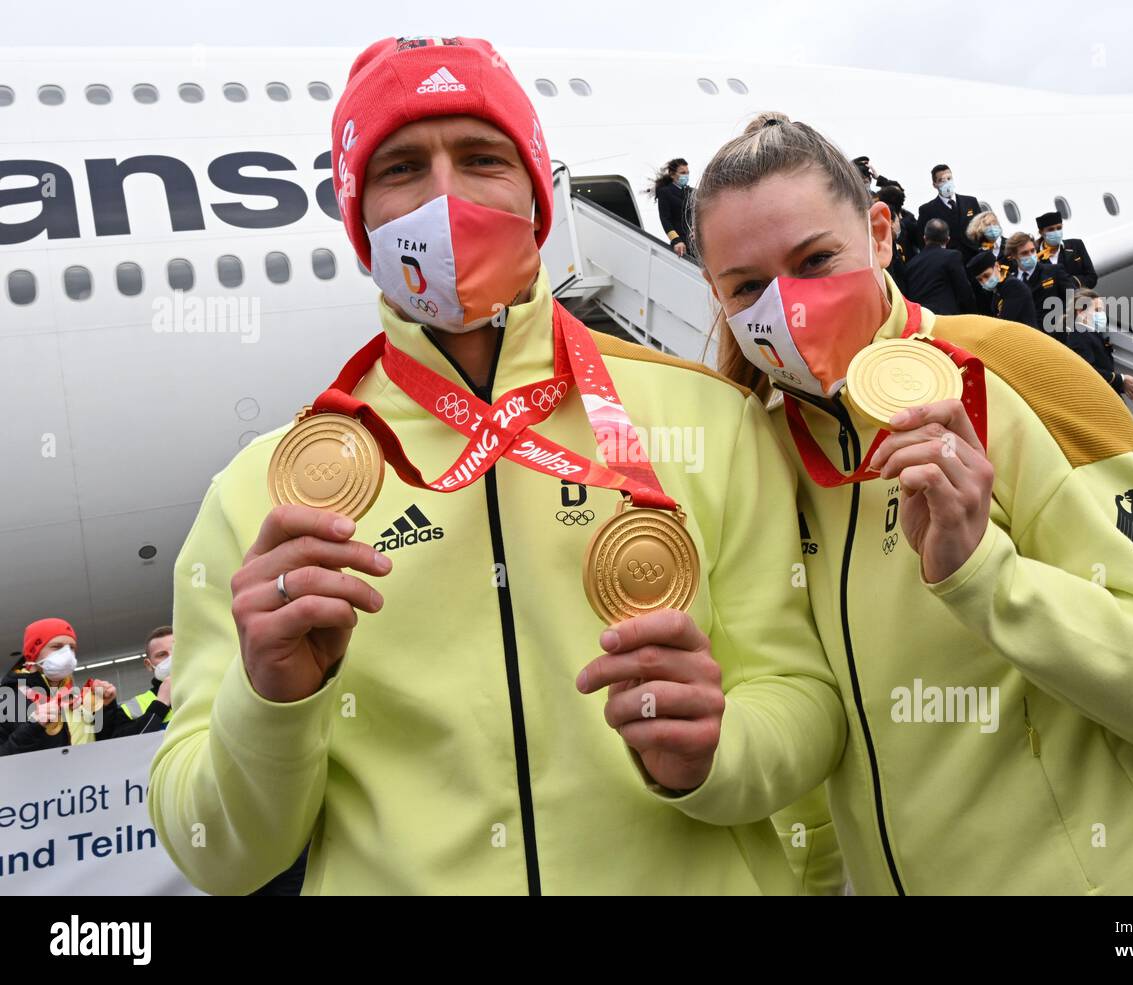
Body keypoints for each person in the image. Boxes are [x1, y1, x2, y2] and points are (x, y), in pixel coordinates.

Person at [147, 38, 843, 896]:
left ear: (538, 196)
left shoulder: (712, 422)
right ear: (361, 223)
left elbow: (807, 705)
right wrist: (270, 700)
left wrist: (716, 752)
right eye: (402, 167)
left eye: (482, 158)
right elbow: (217, 854)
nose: (446, 195)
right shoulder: (264, 495)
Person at [691, 110, 1133, 895]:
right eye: (750, 287)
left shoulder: (1015, 375)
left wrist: (989, 578)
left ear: (878, 234)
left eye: (815, 259)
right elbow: (815, 753)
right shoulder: (760, 452)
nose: (789, 307)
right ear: (716, 294)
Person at [0, 618, 127, 755]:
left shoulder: (75, 700)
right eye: (56, 647)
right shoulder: (7, 700)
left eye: (71, 648)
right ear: (33, 652)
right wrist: (33, 726)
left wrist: (106, 709)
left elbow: (108, 744)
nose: (67, 654)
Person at [1062, 289, 1133, 403]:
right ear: (1081, 311)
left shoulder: (1090, 334)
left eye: (1102, 311)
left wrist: (1122, 385)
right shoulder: (1079, 334)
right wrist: (1121, 380)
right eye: (1097, 310)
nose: (1101, 315)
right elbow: (1088, 371)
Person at [901, 219, 976, 315]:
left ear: (924, 238)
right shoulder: (952, 257)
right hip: (947, 318)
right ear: (948, 239)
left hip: (923, 321)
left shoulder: (910, 265)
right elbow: (964, 292)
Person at [115, 625, 174, 735]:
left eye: (177, 650)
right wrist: (160, 705)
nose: (172, 658)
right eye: (162, 654)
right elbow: (125, 747)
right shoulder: (130, 709)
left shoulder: (210, 690)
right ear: (149, 665)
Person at [1005, 231, 1069, 333]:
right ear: (1013, 256)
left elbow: (1073, 297)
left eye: (1032, 251)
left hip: (1057, 333)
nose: (1030, 255)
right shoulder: (1010, 282)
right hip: (1032, 338)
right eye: (1024, 253)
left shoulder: (1054, 271)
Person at [916, 164, 981, 261]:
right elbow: (921, 241)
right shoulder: (927, 210)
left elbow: (981, 228)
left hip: (974, 257)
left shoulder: (971, 202)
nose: (947, 182)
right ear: (934, 184)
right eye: (942, 180)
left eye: (949, 178)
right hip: (947, 261)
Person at [966, 251, 1036, 328]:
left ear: (997, 266)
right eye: (980, 280)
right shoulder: (998, 289)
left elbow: (1005, 323)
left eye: (986, 275)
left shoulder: (1012, 286)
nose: (984, 281)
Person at [1035, 211, 1097, 289]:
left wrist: (1072, 282)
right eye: (1051, 229)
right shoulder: (1035, 255)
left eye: (1059, 228)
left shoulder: (1076, 245)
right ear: (1041, 232)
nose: (1056, 232)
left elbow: (1092, 277)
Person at [648, 157, 694, 257]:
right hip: (681, 246)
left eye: (687, 173)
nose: (686, 176)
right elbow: (665, 219)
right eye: (682, 173)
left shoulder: (691, 192)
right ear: (672, 174)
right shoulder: (665, 192)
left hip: (696, 244)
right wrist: (676, 240)